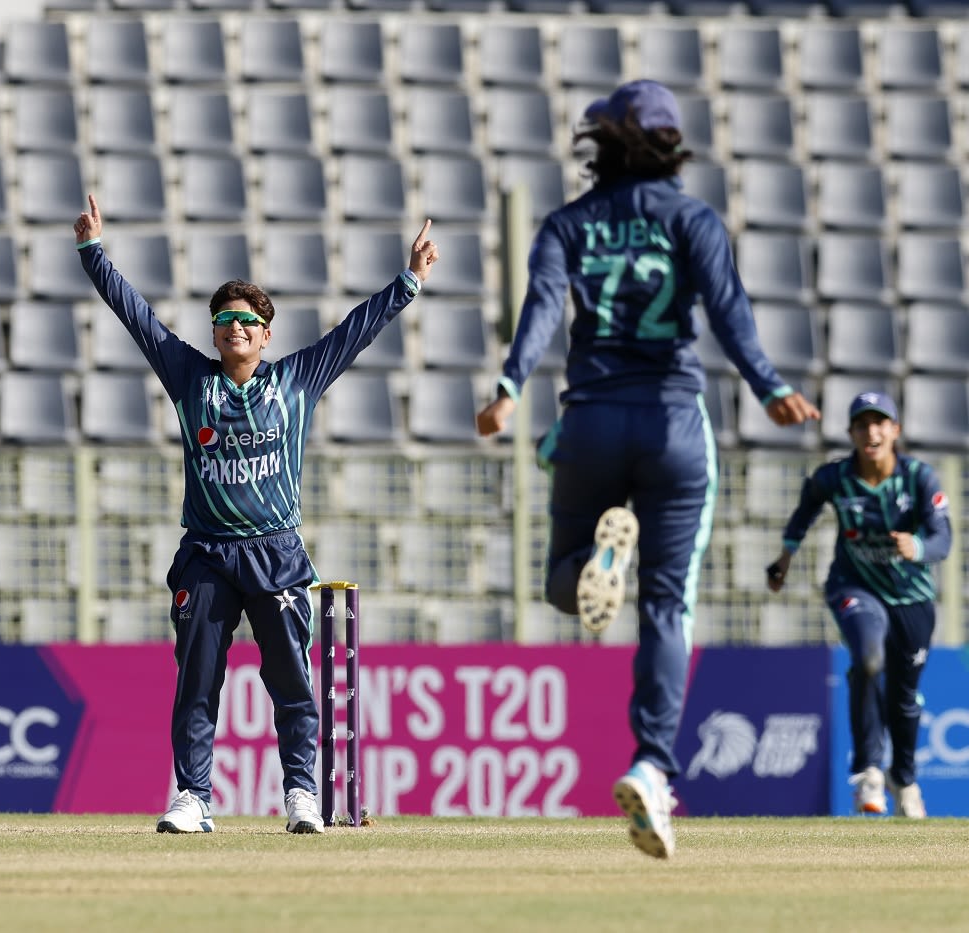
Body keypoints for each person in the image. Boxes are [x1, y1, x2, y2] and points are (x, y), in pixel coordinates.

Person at [473, 80, 820, 859]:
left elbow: (540, 309)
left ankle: (600, 559)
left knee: (564, 582)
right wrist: (771, 387)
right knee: (668, 605)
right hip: (671, 423)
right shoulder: (692, 219)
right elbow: (730, 312)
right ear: (671, 145)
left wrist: (505, 387)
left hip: (589, 419)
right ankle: (652, 764)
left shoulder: (567, 223)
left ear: (601, 143)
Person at [74, 195, 438, 834]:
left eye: (247, 320)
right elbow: (138, 319)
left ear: (267, 335)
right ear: (213, 332)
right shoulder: (190, 378)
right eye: (223, 319)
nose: (234, 327)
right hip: (208, 551)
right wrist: (93, 254)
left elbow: (355, 330)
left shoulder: (297, 379)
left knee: (292, 681)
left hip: (276, 553)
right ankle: (192, 797)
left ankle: (301, 793)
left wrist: (407, 282)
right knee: (198, 682)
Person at [766, 391, 949, 819]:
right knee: (867, 659)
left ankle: (904, 779)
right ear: (851, 433)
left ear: (895, 431)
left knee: (904, 698)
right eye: (862, 424)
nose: (872, 431)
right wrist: (786, 556)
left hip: (912, 598)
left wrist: (917, 545)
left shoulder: (919, 478)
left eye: (880, 422)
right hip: (854, 588)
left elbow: (944, 539)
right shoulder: (835, 477)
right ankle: (868, 770)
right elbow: (805, 509)